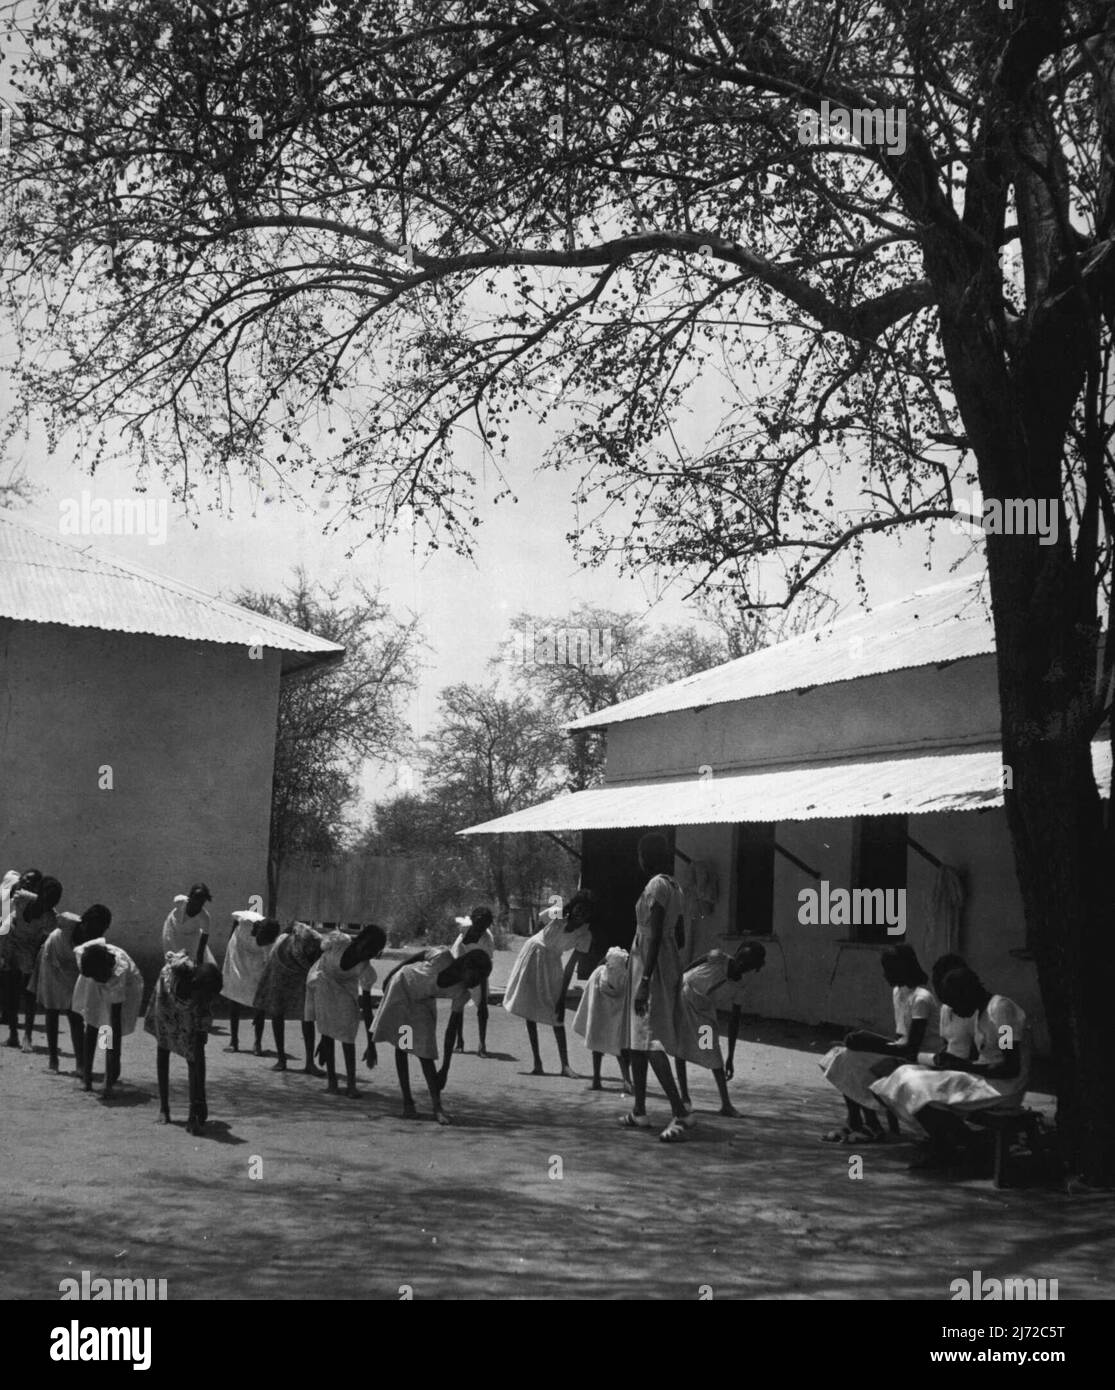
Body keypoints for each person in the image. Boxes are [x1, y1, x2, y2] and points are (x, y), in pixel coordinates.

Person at [870, 965, 1030, 1168]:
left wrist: (964, 1066)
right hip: (984, 1077)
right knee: (904, 1074)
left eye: (956, 1003)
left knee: (919, 1085)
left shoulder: (1002, 1011)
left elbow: (1010, 1067)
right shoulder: (982, 1011)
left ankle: (954, 1146)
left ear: (968, 993)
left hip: (1003, 1086)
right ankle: (957, 1143)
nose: (956, 1011)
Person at [820, 942, 933, 1144]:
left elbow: (911, 1047)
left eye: (888, 969)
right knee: (841, 1054)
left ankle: (871, 1124)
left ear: (902, 968)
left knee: (853, 1060)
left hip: (920, 1058)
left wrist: (870, 1043)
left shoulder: (921, 998)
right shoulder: (899, 992)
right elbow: (901, 1038)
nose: (885, 975)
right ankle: (856, 1121)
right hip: (902, 1052)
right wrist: (865, 1041)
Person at [620, 834, 691, 1142]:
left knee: (650, 1039)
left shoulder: (656, 887)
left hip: (651, 966)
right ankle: (639, 1109)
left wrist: (646, 980)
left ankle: (680, 1111)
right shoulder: (675, 887)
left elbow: (656, 932)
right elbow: (680, 935)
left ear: (644, 857)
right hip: (658, 961)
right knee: (638, 1039)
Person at [373, 946, 492, 1124]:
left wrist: (445, 1068)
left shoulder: (461, 993)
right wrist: (392, 973)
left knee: (426, 1052)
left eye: (481, 980)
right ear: (466, 965)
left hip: (422, 1002)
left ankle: (437, 1107)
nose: (476, 983)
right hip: (402, 988)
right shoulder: (442, 956)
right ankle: (407, 1103)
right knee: (403, 1045)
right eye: (476, 976)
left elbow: (450, 1032)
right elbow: (416, 957)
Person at [503, 892, 595, 1077]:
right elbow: (540, 920)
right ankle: (538, 1062)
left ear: (589, 915)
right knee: (529, 1004)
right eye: (578, 908)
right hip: (533, 952)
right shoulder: (558, 915)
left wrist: (562, 997)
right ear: (573, 907)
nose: (580, 914)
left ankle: (565, 1065)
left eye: (585, 911)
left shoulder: (585, 935)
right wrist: (557, 916)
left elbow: (570, 967)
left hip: (552, 961)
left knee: (556, 1011)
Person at [674, 942, 766, 1119]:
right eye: (739, 960)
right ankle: (684, 1097)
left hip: (702, 1011)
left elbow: (734, 1022)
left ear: (751, 968)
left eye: (745, 964)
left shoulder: (739, 987)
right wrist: (677, 980)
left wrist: (731, 1056)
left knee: (712, 1053)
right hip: (683, 996)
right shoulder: (718, 957)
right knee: (681, 1046)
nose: (739, 965)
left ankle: (726, 1104)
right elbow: (693, 965)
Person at [145, 954, 224, 1133]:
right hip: (166, 1007)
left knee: (194, 1059)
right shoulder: (167, 980)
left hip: (190, 1017)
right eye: (204, 997)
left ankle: (193, 1112)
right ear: (194, 986)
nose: (206, 1002)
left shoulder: (202, 1002)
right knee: (163, 1048)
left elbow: (197, 1050)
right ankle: (164, 1108)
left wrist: (198, 1105)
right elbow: (163, 1020)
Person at [305, 924, 386, 1096]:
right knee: (326, 1035)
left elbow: (366, 1007)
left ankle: (351, 1085)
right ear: (361, 940)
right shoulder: (339, 942)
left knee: (348, 1035)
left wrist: (371, 1045)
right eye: (368, 948)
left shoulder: (365, 968)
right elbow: (320, 958)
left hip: (346, 995)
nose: (368, 954)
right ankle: (332, 1082)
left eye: (373, 952)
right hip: (324, 986)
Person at [30, 904, 109, 1072]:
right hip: (52, 958)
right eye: (91, 928)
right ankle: (53, 1060)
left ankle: (80, 1063)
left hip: (72, 966)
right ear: (84, 922)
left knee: (75, 1013)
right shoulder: (69, 924)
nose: (93, 933)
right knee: (52, 1010)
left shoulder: (95, 939)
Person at [71, 938, 144, 1100]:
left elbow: (114, 1025)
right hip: (97, 977)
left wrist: (110, 1077)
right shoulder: (86, 956)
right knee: (92, 1022)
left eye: (99, 977)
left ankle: (109, 1079)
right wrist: (96, 979)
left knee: (107, 1031)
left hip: (126, 989)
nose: (98, 980)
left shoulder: (119, 974)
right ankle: (86, 1077)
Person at [252, 921, 325, 1072]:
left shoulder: (315, 943)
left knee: (307, 1016)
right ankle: (281, 1059)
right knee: (277, 1012)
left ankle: (309, 1063)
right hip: (281, 973)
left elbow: (315, 966)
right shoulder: (285, 946)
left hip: (301, 973)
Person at [3, 875, 61, 1051]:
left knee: (28, 994)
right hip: (10, 942)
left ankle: (27, 1035)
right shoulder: (22, 898)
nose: (50, 903)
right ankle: (13, 1034)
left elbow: (51, 932)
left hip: (28, 948)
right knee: (10, 991)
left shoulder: (50, 916)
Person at [572, 946, 632, 1093]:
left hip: (599, 1010)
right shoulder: (625, 977)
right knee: (620, 1044)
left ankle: (597, 1079)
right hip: (617, 1010)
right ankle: (627, 1080)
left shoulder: (599, 974)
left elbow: (589, 994)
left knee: (596, 1041)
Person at [221, 910, 281, 1053]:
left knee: (259, 997)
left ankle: (257, 1043)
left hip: (256, 959)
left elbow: (268, 963)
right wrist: (230, 942)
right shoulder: (247, 919)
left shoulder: (269, 939)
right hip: (238, 952)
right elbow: (235, 920)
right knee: (234, 995)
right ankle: (233, 1041)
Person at [441, 907, 495, 1064]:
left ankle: (482, 1044)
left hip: (478, 969)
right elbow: (458, 954)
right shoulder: (465, 930)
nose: (480, 927)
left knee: (482, 1006)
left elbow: (485, 964)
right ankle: (459, 1041)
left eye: (484, 925)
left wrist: (481, 983)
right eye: (478, 924)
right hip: (461, 962)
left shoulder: (487, 940)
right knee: (458, 1003)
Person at [162, 884, 216, 965]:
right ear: (190, 897)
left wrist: (199, 965)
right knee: (173, 960)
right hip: (172, 931)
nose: (197, 904)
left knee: (190, 961)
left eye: (201, 902)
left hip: (192, 939)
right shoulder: (180, 901)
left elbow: (202, 945)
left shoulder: (205, 917)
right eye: (195, 900)